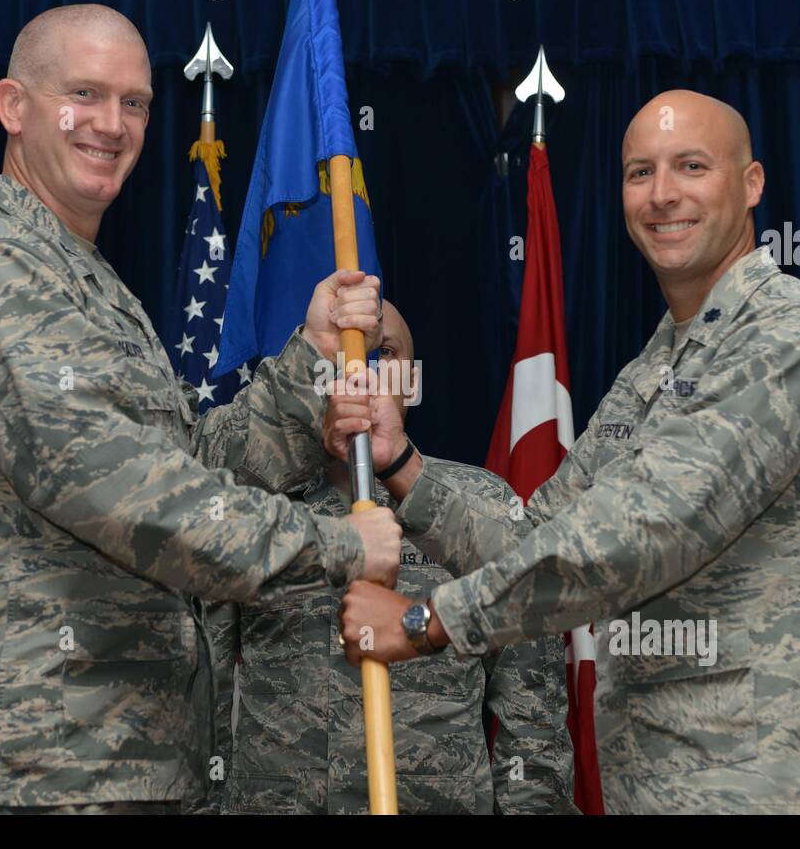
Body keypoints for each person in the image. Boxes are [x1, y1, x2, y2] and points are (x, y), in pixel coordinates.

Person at [328, 90, 800, 814]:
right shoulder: (654, 369)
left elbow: (644, 533)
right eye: (640, 172)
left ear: (752, 182)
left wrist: (425, 621)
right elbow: (534, 535)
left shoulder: (792, 335)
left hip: (787, 787)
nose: (663, 194)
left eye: (691, 166)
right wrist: (400, 464)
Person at [0, 4, 400, 814]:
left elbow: (191, 467)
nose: (112, 123)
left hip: (130, 761)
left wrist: (306, 359)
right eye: (84, 94)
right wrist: (338, 545)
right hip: (30, 768)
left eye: (134, 102)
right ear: (13, 106)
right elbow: (130, 501)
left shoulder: (86, 279)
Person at [202, 303, 577, 814]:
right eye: (339, 357)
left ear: (413, 382)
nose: (358, 371)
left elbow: (531, 710)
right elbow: (208, 682)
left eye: (382, 354)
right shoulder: (260, 506)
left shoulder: (481, 506)